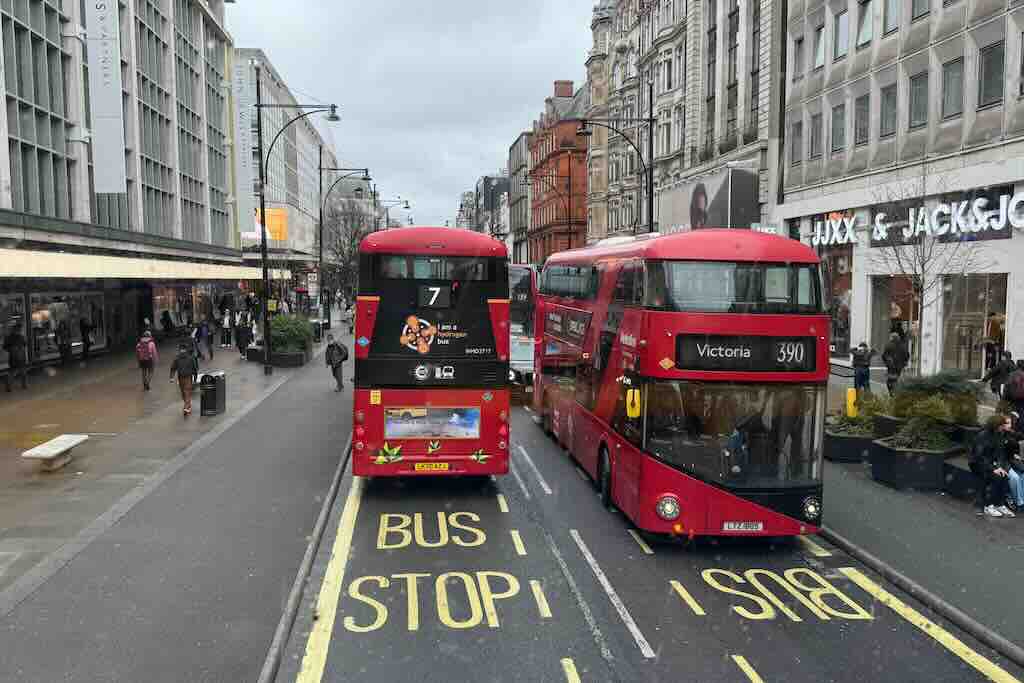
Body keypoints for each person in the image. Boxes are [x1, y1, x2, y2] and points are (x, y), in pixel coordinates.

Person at [971, 414, 1016, 517]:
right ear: (995, 425)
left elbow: (1000, 454)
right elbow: (979, 457)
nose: (1003, 427)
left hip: (991, 463)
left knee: (1004, 476)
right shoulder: (982, 436)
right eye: (1001, 425)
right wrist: (993, 469)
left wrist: (1000, 467)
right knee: (996, 477)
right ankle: (988, 506)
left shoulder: (998, 435)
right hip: (979, 464)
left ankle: (999, 504)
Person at [169, 342, 199, 417]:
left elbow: (173, 367)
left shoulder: (177, 357)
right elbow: (195, 369)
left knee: (183, 392)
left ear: (180, 349)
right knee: (187, 392)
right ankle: (187, 406)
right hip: (188, 377)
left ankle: (186, 406)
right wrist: (195, 378)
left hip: (180, 377)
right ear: (186, 349)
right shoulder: (190, 357)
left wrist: (171, 377)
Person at [3, 323, 28, 391]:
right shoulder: (10, 337)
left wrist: (13, 349)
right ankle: (9, 386)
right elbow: (5, 347)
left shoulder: (21, 337)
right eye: (19, 329)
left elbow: (24, 345)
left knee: (22, 372)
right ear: (15, 329)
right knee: (14, 372)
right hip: (14, 358)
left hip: (19, 357)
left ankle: (23, 385)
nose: (20, 330)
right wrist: (12, 349)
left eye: (20, 329)